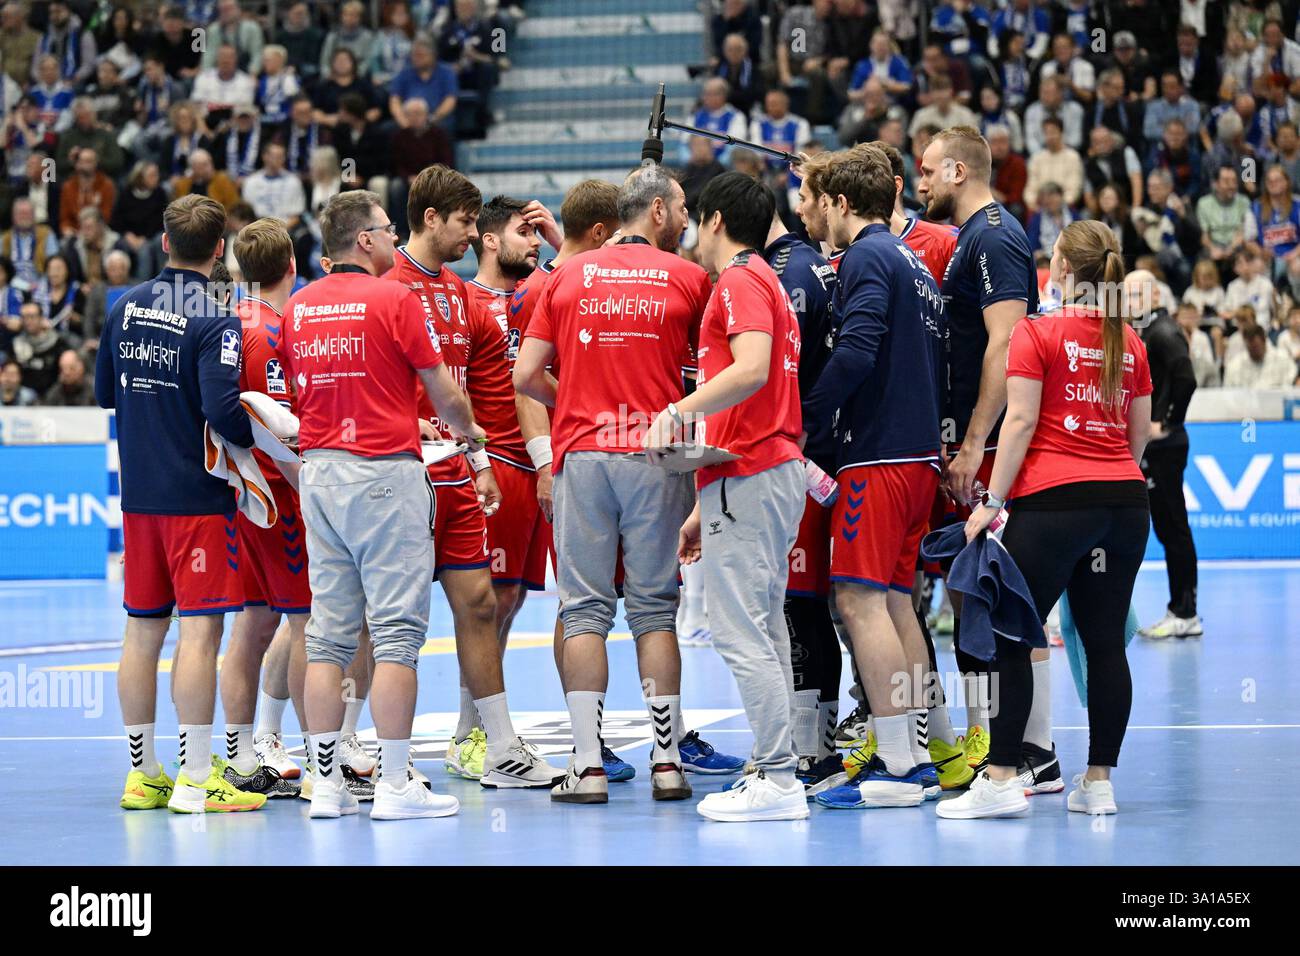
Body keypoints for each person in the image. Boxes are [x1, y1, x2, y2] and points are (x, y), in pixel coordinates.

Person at [938, 220, 1154, 819]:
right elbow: (1139, 439)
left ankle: (1002, 777)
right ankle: (1099, 783)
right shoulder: (1129, 341)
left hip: (1053, 504)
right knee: (1107, 643)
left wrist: (993, 501)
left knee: (1013, 635)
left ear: (1059, 269)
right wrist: (1108, 480)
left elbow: (1021, 422)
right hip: (1125, 506)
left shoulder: (1037, 332)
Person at [277, 189, 480, 821]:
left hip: (320, 477)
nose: (395, 240)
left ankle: (329, 787)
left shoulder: (298, 306)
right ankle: (394, 786)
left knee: (330, 638)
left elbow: (314, 393)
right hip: (385, 477)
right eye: (388, 230)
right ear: (363, 239)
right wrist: (468, 433)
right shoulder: (396, 298)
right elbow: (442, 392)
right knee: (395, 636)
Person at [514, 165, 709, 805]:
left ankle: (589, 767)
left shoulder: (565, 274)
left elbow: (525, 376)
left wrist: (571, 398)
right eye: (680, 208)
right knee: (655, 611)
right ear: (655, 210)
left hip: (584, 454)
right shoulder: (690, 277)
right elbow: (711, 374)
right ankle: (668, 763)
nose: (686, 219)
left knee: (584, 611)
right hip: (654, 453)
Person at [386, 165, 562, 788]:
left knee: (485, 603)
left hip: (461, 476)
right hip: (393, 473)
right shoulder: (386, 288)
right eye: (465, 222)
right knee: (376, 619)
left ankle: (493, 743)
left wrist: (482, 461)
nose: (470, 233)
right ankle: (350, 752)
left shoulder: (460, 297)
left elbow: (491, 387)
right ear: (431, 218)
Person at [638, 172, 806, 822]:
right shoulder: (767, 281)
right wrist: (702, 506)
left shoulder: (738, 280)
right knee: (761, 627)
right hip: (754, 472)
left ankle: (779, 779)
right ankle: (778, 770)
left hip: (753, 469)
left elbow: (753, 368)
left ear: (710, 220)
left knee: (740, 631)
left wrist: (675, 411)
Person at [96, 194, 264, 813]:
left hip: (139, 500)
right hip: (196, 499)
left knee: (142, 632)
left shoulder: (124, 305)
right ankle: (196, 779)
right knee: (200, 635)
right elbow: (222, 409)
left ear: (163, 243)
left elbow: (103, 394)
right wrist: (262, 442)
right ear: (219, 250)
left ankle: (145, 777)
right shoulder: (216, 317)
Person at [793, 147, 949, 812]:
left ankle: (895, 760)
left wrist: (801, 420)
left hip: (877, 457)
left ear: (839, 203)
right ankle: (921, 749)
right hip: (917, 457)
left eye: (816, 202)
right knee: (892, 604)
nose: (813, 216)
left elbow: (856, 350)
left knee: (858, 603)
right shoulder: (912, 261)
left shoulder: (863, 258)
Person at [917, 126, 1039, 775]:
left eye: (930, 171)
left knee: (991, 595)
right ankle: (987, 737)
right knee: (969, 596)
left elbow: (1006, 344)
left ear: (960, 171)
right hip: (973, 440)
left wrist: (971, 446)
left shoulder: (993, 235)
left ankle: (1014, 749)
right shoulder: (974, 237)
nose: (922, 182)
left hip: (987, 446)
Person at [465, 196, 553, 641]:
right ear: (490, 240)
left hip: (541, 460)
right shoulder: (462, 301)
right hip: (496, 461)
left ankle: (481, 709)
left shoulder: (537, 295)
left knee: (515, 595)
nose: (535, 243)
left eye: (537, 233)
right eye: (525, 232)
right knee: (491, 599)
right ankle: (474, 711)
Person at [1125, 271, 1202, 640]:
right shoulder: (1151, 331)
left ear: (1154, 294)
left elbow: (1186, 377)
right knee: (1169, 527)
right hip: (1160, 446)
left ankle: (1185, 612)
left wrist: (1167, 423)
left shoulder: (1164, 331)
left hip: (1166, 446)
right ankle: (1180, 609)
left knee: (1173, 527)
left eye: (1135, 294)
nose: (1128, 301)